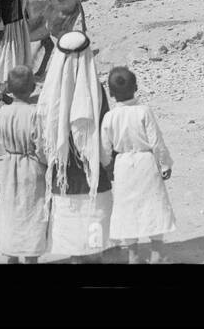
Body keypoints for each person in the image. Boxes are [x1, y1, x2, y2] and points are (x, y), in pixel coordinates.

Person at [39, 31, 113, 261]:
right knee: (95, 228)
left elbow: (42, 131)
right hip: (92, 174)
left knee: (71, 236)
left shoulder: (50, 91)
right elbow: (104, 132)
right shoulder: (94, 90)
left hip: (65, 175)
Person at [100, 67, 176, 264]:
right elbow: (156, 142)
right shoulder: (144, 111)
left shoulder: (109, 117)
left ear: (110, 92)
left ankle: (133, 254)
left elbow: (105, 149)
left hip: (123, 166)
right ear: (136, 87)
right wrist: (165, 164)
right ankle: (157, 254)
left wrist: (108, 167)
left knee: (127, 208)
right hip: (146, 163)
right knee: (154, 204)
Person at [0, 64, 50, 264]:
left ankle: (11, 256)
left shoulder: (3, 113)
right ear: (33, 88)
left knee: (11, 210)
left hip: (10, 166)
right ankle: (31, 258)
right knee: (31, 212)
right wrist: (46, 165)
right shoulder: (34, 114)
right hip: (31, 167)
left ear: (8, 88)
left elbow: (2, 140)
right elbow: (41, 146)